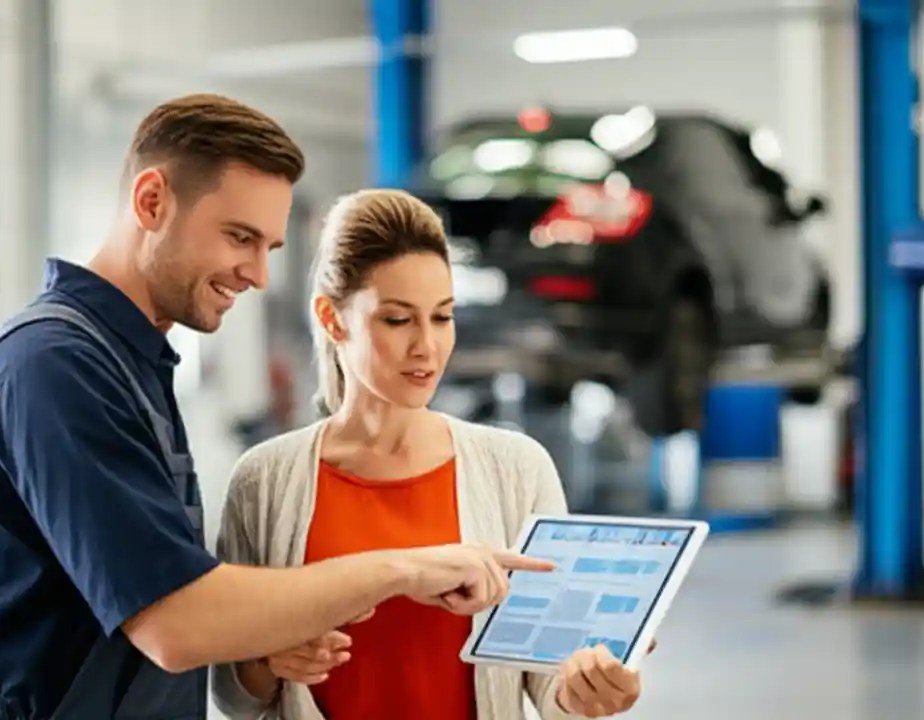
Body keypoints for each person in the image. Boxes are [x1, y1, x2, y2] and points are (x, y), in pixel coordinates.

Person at [0, 95, 552, 720]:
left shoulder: (128, 364)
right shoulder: (57, 369)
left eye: (270, 247)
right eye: (240, 237)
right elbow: (177, 623)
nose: (258, 274)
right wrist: (402, 568)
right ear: (152, 202)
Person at [211, 189, 647, 720]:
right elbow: (234, 696)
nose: (427, 346)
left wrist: (588, 689)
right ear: (332, 319)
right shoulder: (265, 483)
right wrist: (271, 660)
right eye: (397, 320)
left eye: (441, 318)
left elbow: (550, 682)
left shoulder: (515, 468)